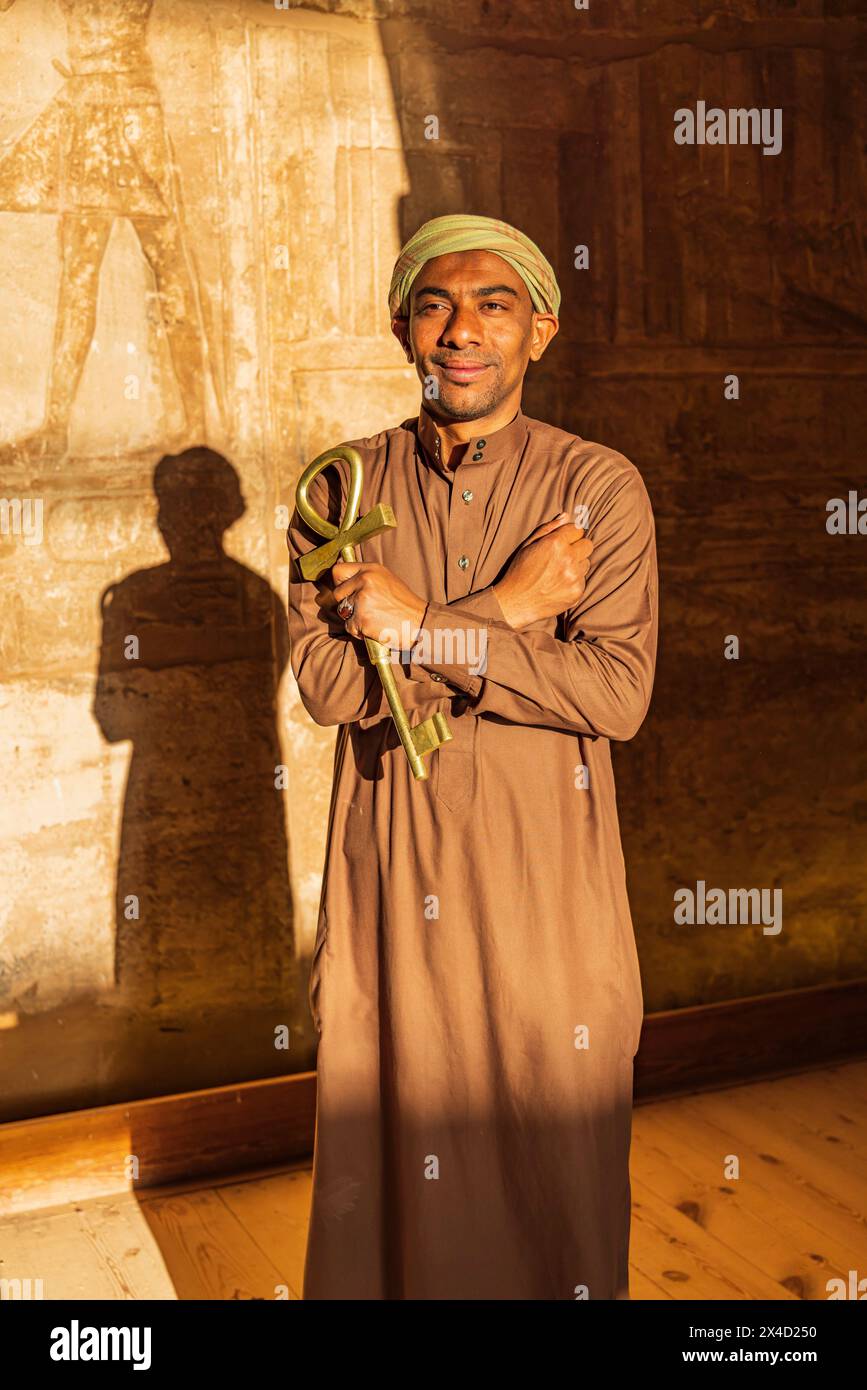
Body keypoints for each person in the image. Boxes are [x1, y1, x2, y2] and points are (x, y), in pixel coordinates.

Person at [286, 212, 658, 1300]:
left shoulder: (602, 491)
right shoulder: (336, 491)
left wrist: (427, 630)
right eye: (437, 304)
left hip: (548, 881)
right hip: (391, 882)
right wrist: (505, 609)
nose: (464, 329)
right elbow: (335, 688)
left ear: (540, 329)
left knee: (560, 1146)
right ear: (403, 327)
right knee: (389, 1145)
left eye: (495, 304)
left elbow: (618, 694)